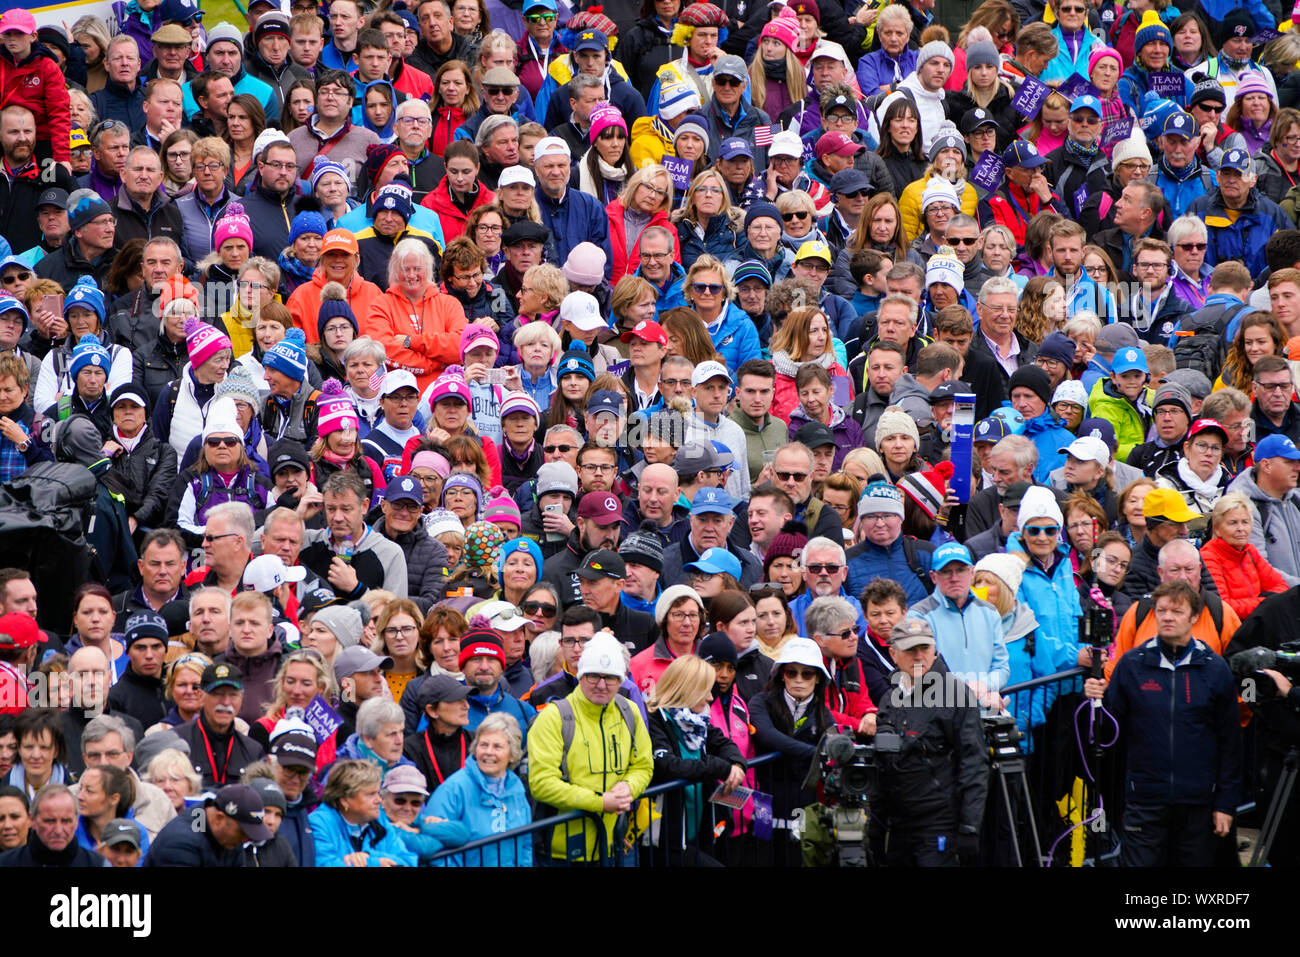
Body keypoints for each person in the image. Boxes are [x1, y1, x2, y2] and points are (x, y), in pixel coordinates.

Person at [1084, 580, 1241, 867]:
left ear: (1194, 616)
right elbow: (1108, 732)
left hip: (1198, 801)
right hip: (1144, 798)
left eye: (1176, 611)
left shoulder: (1215, 668)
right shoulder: (1132, 664)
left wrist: (1226, 804)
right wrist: (1096, 702)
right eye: (1162, 610)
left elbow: (1230, 742)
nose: (1167, 617)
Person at [865, 618, 989, 866]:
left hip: (939, 821)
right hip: (898, 823)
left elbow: (974, 763)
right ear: (894, 654)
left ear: (934, 649)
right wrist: (875, 822)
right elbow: (883, 763)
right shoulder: (890, 698)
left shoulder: (955, 694)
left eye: (924, 648)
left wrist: (969, 826)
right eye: (910, 650)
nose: (918, 656)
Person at [526, 632, 654, 865]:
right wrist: (600, 802)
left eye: (611, 678)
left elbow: (643, 766)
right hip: (560, 855)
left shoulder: (630, 712)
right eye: (593, 676)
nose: (602, 685)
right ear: (581, 675)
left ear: (622, 679)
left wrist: (629, 787)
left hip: (612, 848)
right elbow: (542, 784)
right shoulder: (554, 718)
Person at [644, 654, 746, 866]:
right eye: (705, 690)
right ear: (686, 689)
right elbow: (669, 765)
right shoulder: (654, 719)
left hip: (701, 830)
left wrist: (736, 765)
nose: (710, 697)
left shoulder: (698, 719)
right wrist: (719, 767)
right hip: (665, 838)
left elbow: (724, 743)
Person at [427, 711, 532, 866]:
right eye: (483, 745)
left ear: (512, 754)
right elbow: (434, 848)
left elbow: (525, 844)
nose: (488, 752)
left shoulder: (516, 789)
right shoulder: (453, 789)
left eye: (497, 746)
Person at [1200, 491, 1291, 619]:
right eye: (1233, 523)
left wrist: (1264, 603)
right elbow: (1224, 606)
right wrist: (1266, 603)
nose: (1240, 528)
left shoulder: (1250, 551)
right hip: (1234, 631)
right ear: (1217, 529)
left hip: (1257, 624)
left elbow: (1281, 586)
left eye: (1245, 522)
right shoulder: (1208, 556)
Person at [309, 758, 416, 866]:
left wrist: (368, 856)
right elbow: (324, 863)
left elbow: (409, 860)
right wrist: (374, 863)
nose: (379, 800)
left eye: (378, 793)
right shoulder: (318, 823)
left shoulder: (378, 819)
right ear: (345, 800)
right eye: (371, 794)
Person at [174, 662, 265, 788]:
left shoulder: (253, 750)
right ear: (200, 696)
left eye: (233, 695)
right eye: (217, 694)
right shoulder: (177, 742)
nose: (226, 702)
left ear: (242, 698)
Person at [1226, 433, 1300, 584]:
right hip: (1275, 603)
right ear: (1266, 465)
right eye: (1289, 462)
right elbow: (1258, 567)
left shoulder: (1296, 500)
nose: (1297, 468)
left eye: (1297, 462)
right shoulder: (1243, 507)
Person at [143, 782, 270, 867]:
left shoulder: (230, 838)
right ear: (219, 818)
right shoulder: (181, 843)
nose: (246, 839)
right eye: (243, 832)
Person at [0, 784, 105, 867]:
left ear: (76, 822)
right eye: (50, 821)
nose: (58, 830)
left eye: (66, 821)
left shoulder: (98, 864)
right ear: (32, 820)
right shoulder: (5, 862)